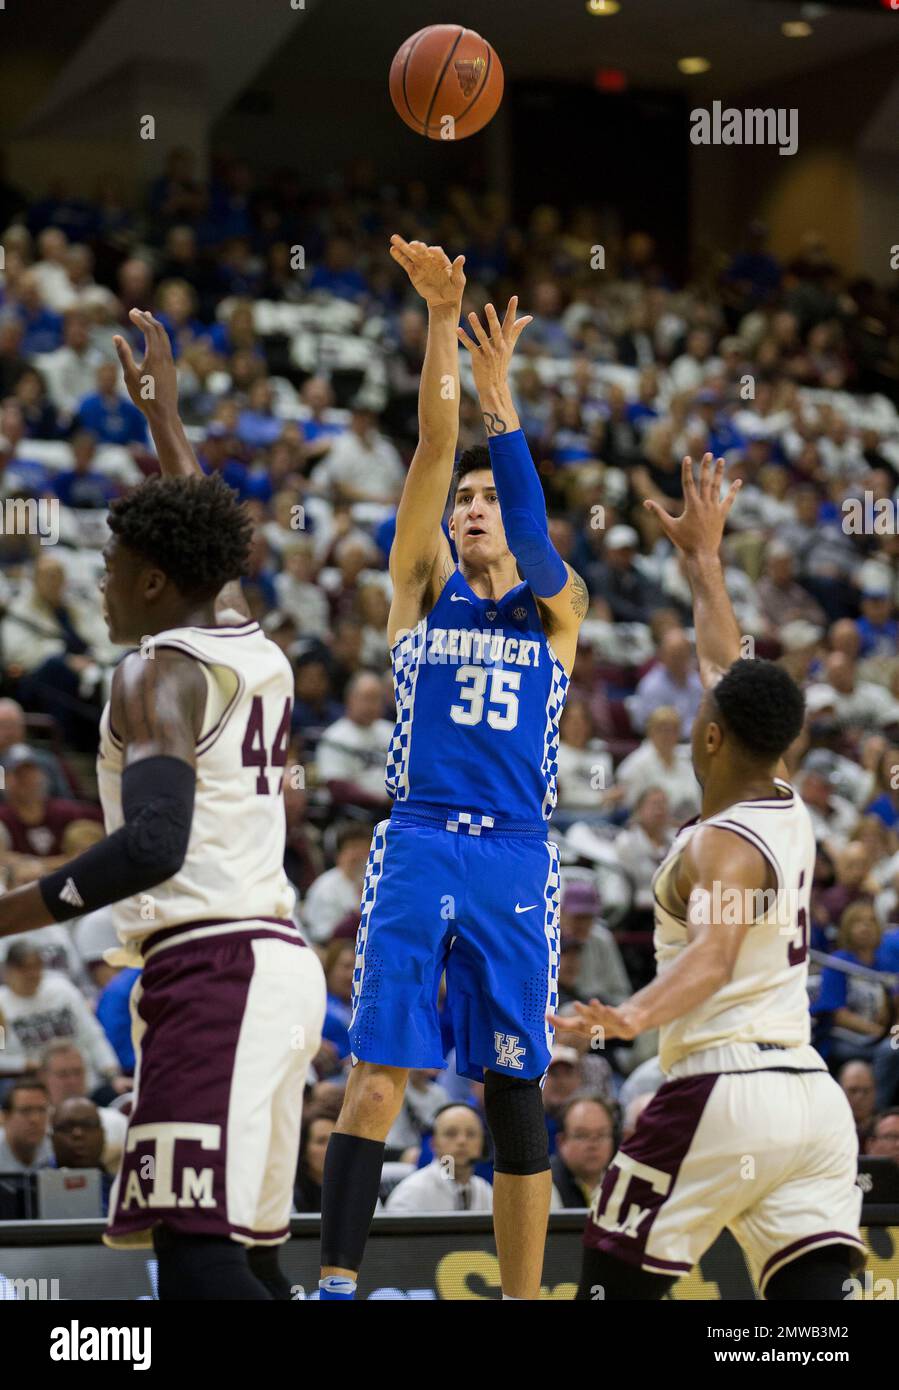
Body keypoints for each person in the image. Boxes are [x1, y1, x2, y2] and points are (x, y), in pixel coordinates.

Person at [0, 310, 326, 1300]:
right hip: (274, 967)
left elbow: (149, 844)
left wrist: (7, 912)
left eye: (108, 569)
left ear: (149, 578)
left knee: (194, 1253)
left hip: (215, 968)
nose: (99, 587)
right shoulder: (242, 637)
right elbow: (207, 548)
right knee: (248, 1256)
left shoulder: (155, 673)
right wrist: (166, 421)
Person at [319, 243, 587, 1302]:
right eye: (463, 500)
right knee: (379, 1063)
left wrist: (503, 406)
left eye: (487, 498)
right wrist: (441, 320)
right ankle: (336, 1280)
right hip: (422, 834)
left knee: (514, 1085)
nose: (472, 507)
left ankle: (524, 1302)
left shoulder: (558, 610)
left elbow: (531, 521)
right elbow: (434, 445)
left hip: (517, 857)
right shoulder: (423, 590)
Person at [551, 453, 865, 1301]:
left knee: (604, 1285)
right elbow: (727, 665)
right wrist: (703, 562)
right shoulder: (784, 795)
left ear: (714, 739)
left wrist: (629, 1016)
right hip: (810, 1100)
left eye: (702, 712)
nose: (697, 712)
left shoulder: (724, 843)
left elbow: (716, 954)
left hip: (724, 1088)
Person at [385, 1104, 492, 1214]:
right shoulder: (411, 1192)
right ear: (434, 1143)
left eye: (471, 1134)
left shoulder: (484, 1190)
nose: (462, 1141)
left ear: (482, 1142)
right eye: (451, 1134)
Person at [550, 1095, 617, 1208]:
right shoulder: (545, 1186)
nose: (593, 1144)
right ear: (561, 1141)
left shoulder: (622, 1184)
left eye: (601, 1135)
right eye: (582, 1135)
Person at [0, 1079, 53, 1173]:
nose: (35, 1119)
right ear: (5, 1117)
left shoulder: (55, 1149)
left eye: (42, 1110)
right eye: (26, 1111)